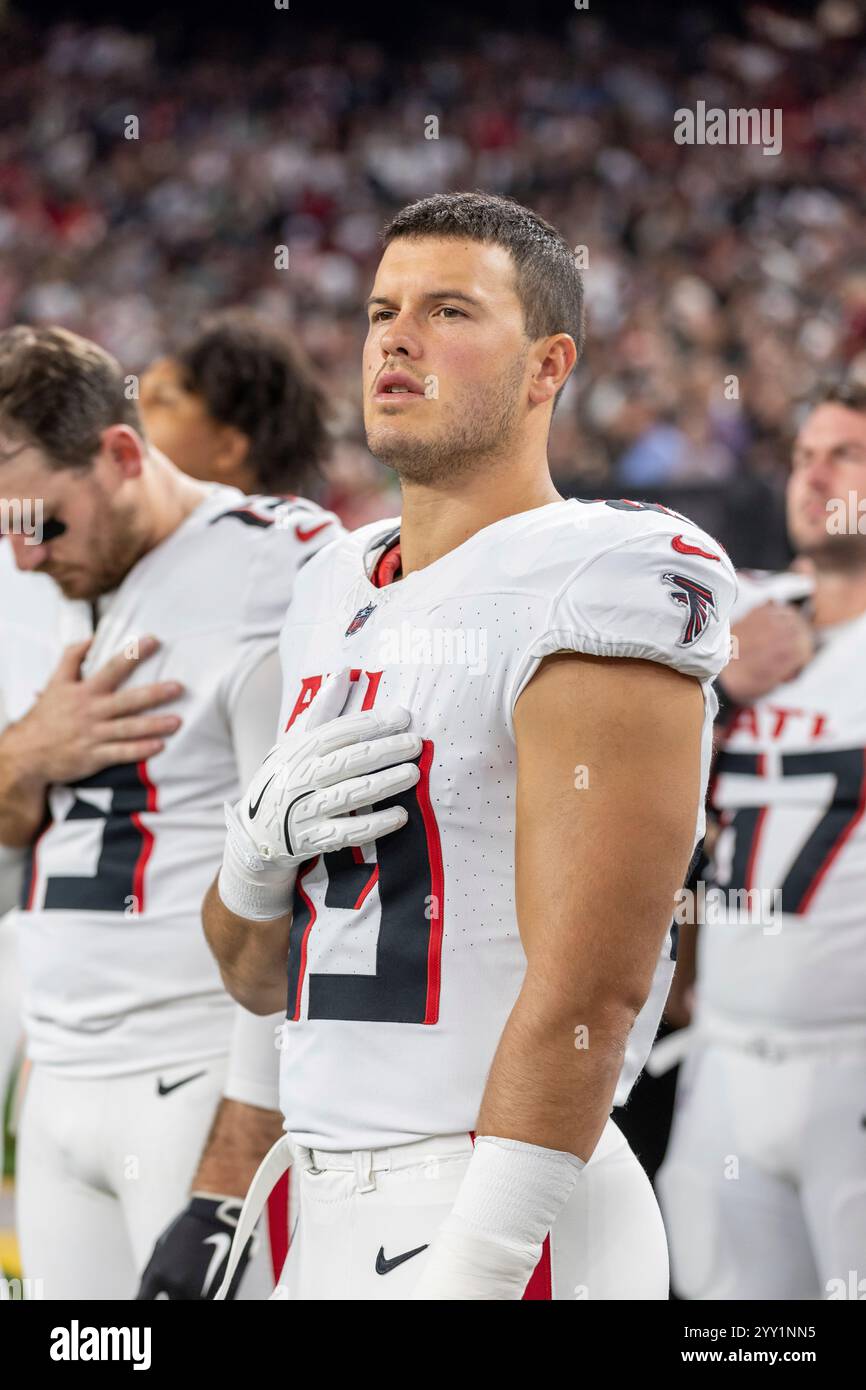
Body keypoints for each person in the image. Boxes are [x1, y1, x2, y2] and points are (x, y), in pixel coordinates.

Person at [204, 191, 736, 1301]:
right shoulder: (331, 582)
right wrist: (250, 864)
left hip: (499, 1205)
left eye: (448, 310)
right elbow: (259, 981)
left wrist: (484, 1260)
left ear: (548, 367)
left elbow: (594, 987)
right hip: (321, 1190)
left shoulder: (598, 573)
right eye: (380, 309)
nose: (394, 337)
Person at [0, 325, 339, 1299]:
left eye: (44, 522)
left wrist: (234, 1166)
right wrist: (27, 751)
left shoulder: (279, 565)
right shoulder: (39, 572)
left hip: (192, 1071)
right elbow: (11, 819)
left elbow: (302, 889)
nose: (23, 556)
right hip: (55, 1070)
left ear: (117, 453)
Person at [134, 310, 333, 1299]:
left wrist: (238, 1140)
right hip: (102, 1044)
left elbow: (291, 896)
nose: (130, 419)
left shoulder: (292, 568)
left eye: (162, 399)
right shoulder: (114, 572)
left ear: (230, 445)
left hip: (223, 1048)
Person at [656, 383, 866, 1300]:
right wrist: (711, 685)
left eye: (845, 455)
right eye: (802, 454)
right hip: (725, 1056)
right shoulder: (733, 621)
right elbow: (639, 785)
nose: (812, 473)